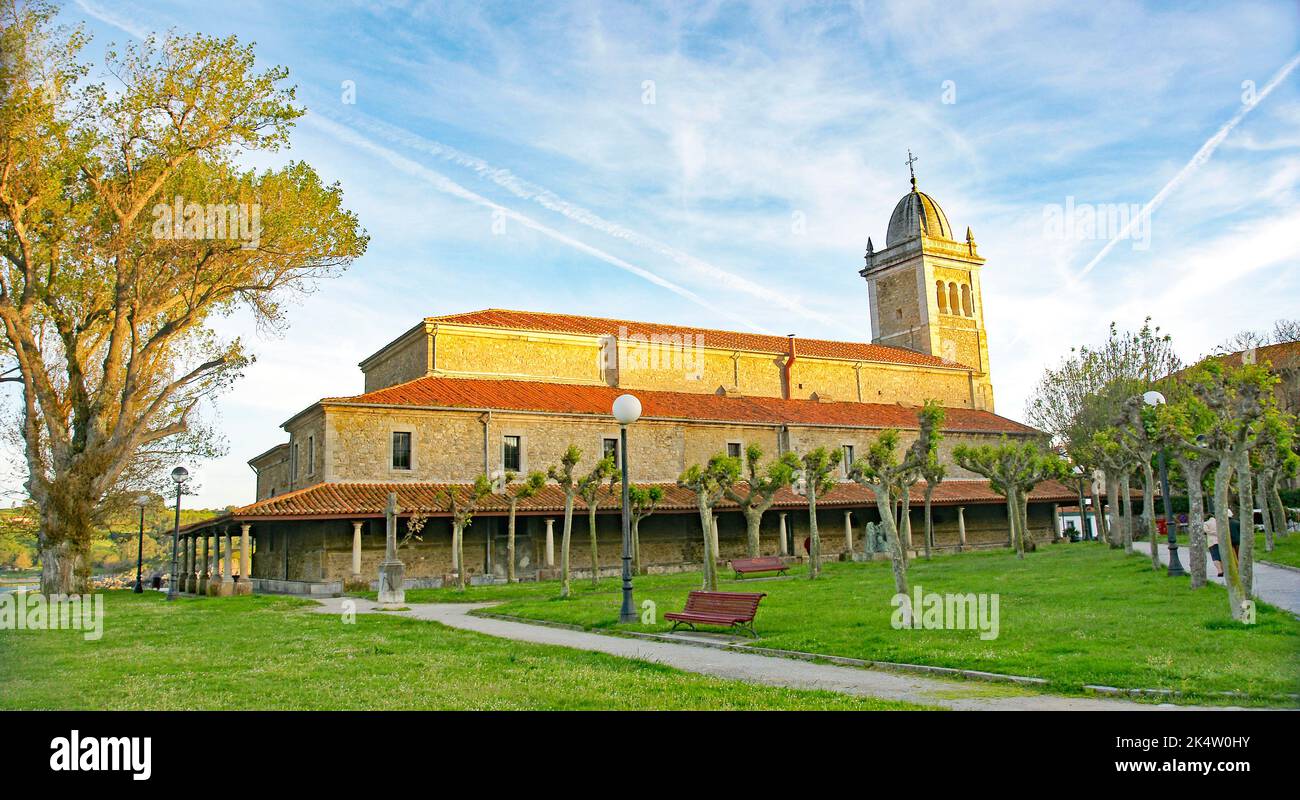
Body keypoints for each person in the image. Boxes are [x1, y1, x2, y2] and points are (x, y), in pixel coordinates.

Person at [1204, 513, 1223, 577]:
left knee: (1215, 557)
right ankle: (1224, 569)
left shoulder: (1206, 523)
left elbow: (1205, 530)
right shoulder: (1219, 522)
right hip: (1221, 541)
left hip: (1212, 542)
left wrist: (1213, 533)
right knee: (1221, 556)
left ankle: (1220, 571)